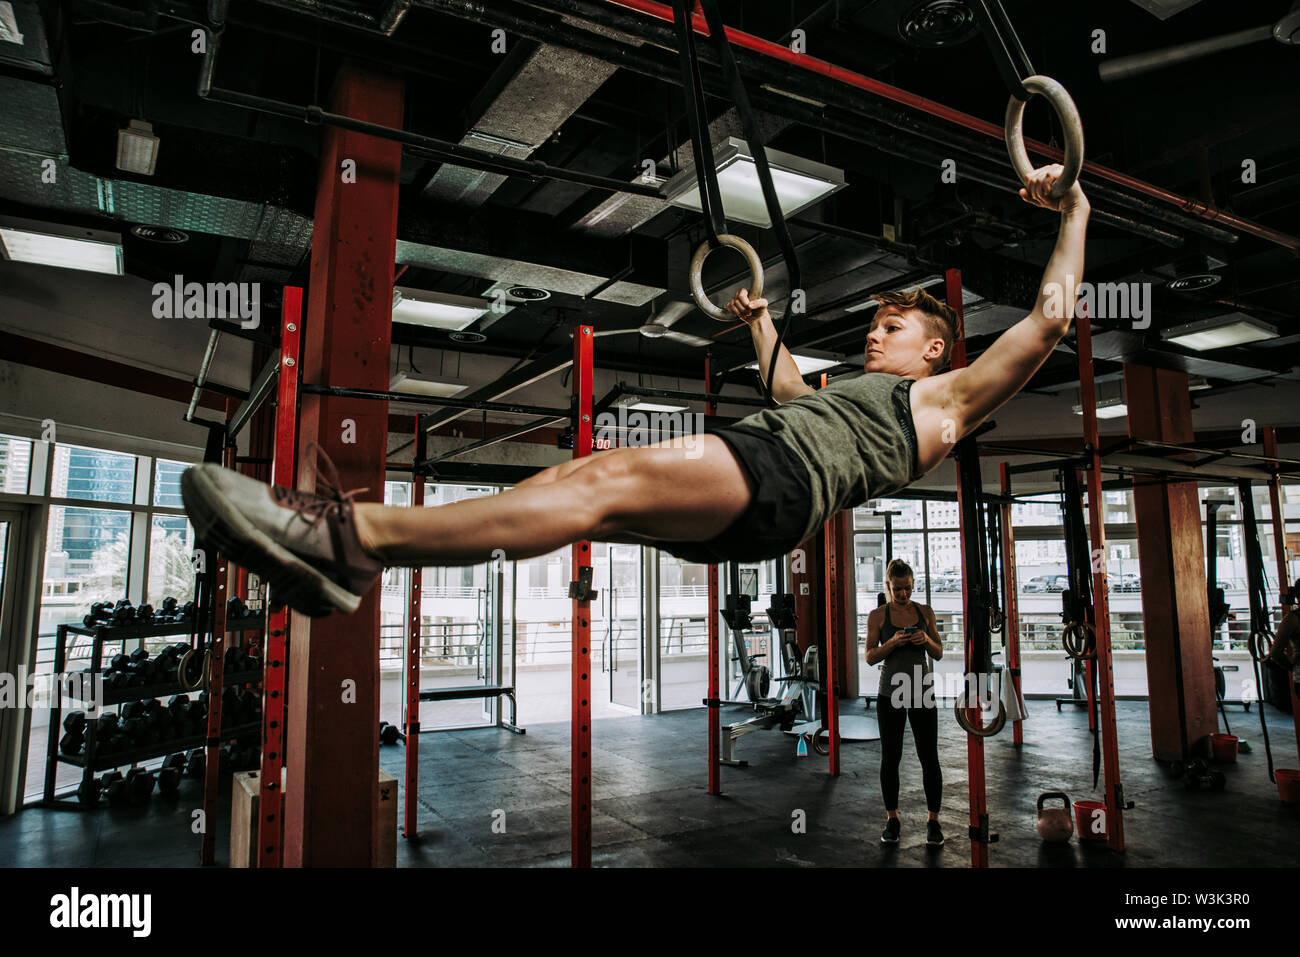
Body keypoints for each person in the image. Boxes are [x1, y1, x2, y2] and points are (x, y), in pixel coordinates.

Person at [180, 164, 1089, 618]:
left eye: (893, 327)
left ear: (935, 348)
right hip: (771, 476)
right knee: (578, 488)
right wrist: (760, 320)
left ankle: (351, 535)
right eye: (875, 323)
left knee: (598, 485)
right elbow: (781, 386)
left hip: (781, 481)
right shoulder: (849, 390)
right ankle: (357, 563)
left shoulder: (944, 402)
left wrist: (1075, 211)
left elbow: (1049, 319)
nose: (873, 331)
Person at [864, 559, 944, 846]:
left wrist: (925, 640)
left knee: (929, 757)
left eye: (908, 588)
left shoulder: (924, 611)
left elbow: (939, 652)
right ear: (889, 586)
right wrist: (893, 643)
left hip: (920, 689)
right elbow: (870, 657)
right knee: (891, 757)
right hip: (890, 692)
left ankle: (933, 821)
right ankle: (892, 819)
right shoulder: (878, 616)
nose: (903, 594)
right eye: (898, 589)